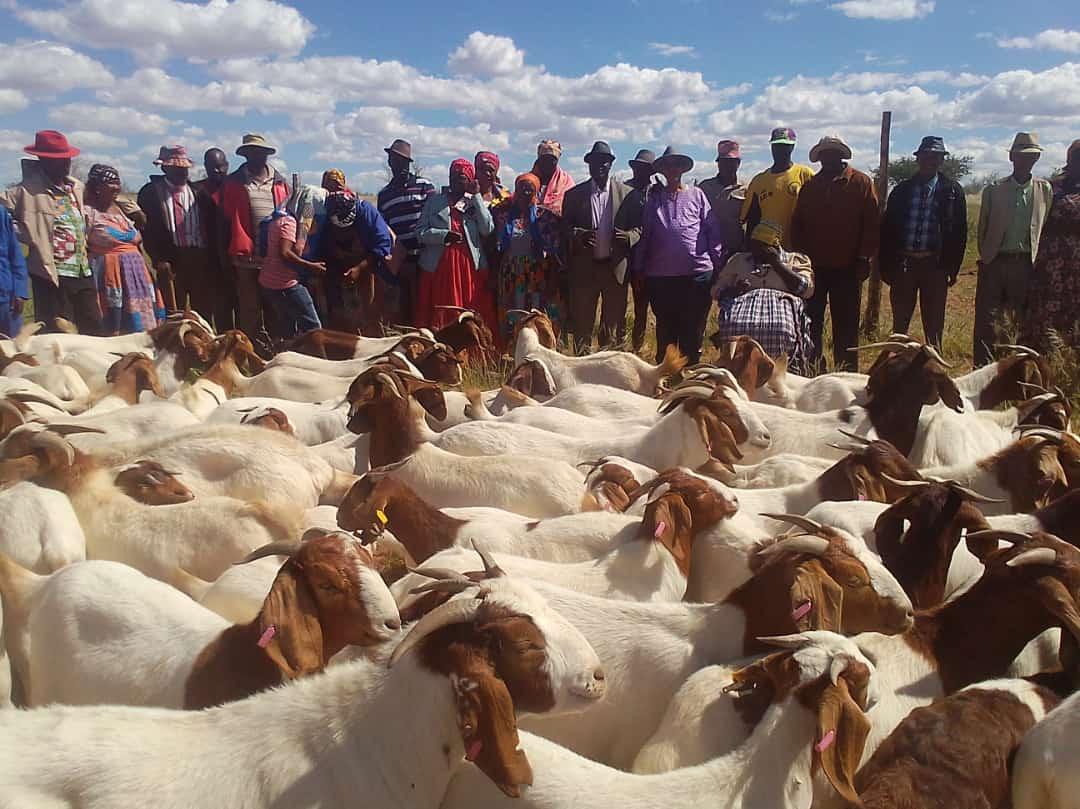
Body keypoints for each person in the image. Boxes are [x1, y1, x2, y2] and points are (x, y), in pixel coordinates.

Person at [790, 135, 880, 371]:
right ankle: (814, 369)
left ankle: (847, 371)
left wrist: (864, 258)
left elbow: (871, 224)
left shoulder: (860, 183)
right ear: (819, 158)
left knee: (847, 324)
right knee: (811, 322)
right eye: (823, 154)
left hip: (848, 266)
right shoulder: (810, 187)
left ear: (841, 155)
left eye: (832, 153)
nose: (827, 158)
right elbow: (798, 224)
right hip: (814, 268)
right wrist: (801, 262)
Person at [0, 131, 101, 334]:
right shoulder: (24, 192)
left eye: (67, 159)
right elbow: (5, 221)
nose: (65, 164)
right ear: (43, 160)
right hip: (50, 272)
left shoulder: (76, 187)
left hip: (82, 269)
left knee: (94, 328)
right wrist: (30, 235)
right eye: (58, 160)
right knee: (58, 333)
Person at [634, 146, 724, 365]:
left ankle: (691, 379)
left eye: (676, 164)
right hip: (661, 277)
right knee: (666, 331)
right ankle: (666, 382)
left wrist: (720, 267)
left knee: (692, 332)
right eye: (667, 165)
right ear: (662, 169)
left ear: (683, 168)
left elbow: (712, 231)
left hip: (697, 275)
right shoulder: (654, 199)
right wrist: (638, 269)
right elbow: (645, 235)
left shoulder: (697, 194)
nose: (672, 169)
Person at [879, 136, 967, 350]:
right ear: (918, 159)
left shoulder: (953, 191)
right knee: (900, 326)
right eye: (926, 156)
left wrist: (952, 268)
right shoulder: (901, 191)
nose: (930, 161)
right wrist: (886, 267)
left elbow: (959, 233)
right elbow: (887, 230)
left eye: (936, 156)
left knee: (934, 325)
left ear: (942, 160)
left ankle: (932, 371)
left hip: (935, 267)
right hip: (904, 264)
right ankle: (896, 366)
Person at [973, 133, 1053, 366]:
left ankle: (1012, 370)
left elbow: (1043, 225)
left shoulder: (1043, 189)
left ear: (1036, 159)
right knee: (987, 320)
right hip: (994, 262)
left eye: (1031, 157)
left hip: (1025, 263)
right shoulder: (994, 190)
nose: (1026, 161)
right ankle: (981, 369)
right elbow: (983, 229)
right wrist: (988, 258)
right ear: (1011, 157)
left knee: (1017, 320)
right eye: (1021, 156)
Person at [560, 141, 639, 352]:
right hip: (585, 269)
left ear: (611, 164)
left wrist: (629, 236)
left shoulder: (627, 194)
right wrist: (579, 235)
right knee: (582, 327)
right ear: (589, 165)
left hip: (615, 270)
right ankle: (582, 373)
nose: (600, 165)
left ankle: (608, 373)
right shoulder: (574, 195)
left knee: (611, 328)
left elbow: (640, 227)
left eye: (605, 161)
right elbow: (564, 228)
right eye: (595, 162)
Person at [137, 145, 227, 328]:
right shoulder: (150, 194)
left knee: (203, 311)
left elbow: (211, 227)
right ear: (164, 168)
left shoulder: (199, 192)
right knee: (173, 312)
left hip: (199, 259)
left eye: (184, 169)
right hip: (170, 260)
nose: (182, 173)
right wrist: (158, 258)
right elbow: (147, 230)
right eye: (177, 169)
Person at [712, 221, 814, 370]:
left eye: (762, 248)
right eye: (754, 246)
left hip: (780, 315)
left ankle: (783, 367)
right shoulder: (739, 261)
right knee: (733, 328)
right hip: (743, 313)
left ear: (774, 247)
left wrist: (777, 264)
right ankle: (738, 368)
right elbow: (716, 292)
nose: (756, 252)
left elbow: (806, 290)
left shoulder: (794, 261)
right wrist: (735, 289)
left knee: (782, 329)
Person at [220, 134, 288, 354]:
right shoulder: (233, 183)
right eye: (251, 152)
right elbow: (225, 220)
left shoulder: (280, 183)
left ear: (266, 155)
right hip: (246, 258)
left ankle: (275, 353)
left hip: (275, 258)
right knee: (250, 309)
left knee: (276, 308)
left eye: (260, 152)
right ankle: (248, 355)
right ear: (245, 155)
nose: (255, 156)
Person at [415, 160, 496, 331]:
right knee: (444, 309)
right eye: (453, 177)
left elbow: (487, 228)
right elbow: (420, 232)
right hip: (440, 268)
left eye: (461, 178)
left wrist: (477, 197)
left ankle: (472, 354)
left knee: (470, 310)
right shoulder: (435, 202)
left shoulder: (474, 202)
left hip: (469, 268)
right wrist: (443, 236)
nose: (456, 182)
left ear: (470, 180)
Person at [84, 164, 165, 335]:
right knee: (116, 323)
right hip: (110, 274)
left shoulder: (123, 210)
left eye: (117, 182)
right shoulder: (88, 212)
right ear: (97, 187)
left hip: (136, 273)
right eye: (110, 183)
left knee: (144, 324)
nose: (116, 187)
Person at [1022, 140, 1080, 352]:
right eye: (1077, 156)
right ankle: (1040, 359)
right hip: (1052, 261)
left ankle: (1070, 365)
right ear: (1069, 159)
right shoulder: (1053, 187)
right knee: (1045, 310)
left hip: (1077, 264)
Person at [492, 174, 565, 339]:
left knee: (536, 313)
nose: (526, 192)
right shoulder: (504, 214)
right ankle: (511, 350)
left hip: (537, 274)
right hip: (511, 273)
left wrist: (553, 277)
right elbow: (497, 246)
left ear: (537, 191)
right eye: (522, 188)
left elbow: (553, 251)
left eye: (530, 189)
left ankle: (538, 348)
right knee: (513, 312)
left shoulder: (544, 216)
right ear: (516, 190)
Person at [377, 139, 436, 325]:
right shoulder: (384, 195)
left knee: (424, 306)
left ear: (408, 164)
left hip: (424, 258)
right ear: (390, 162)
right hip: (400, 261)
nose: (398, 165)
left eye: (402, 161)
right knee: (402, 307)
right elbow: (384, 228)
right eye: (395, 160)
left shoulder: (425, 186)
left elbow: (434, 218)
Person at [323, 190, 396, 333]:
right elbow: (325, 245)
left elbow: (382, 245)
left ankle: (373, 328)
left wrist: (360, 268)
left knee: (372, 309)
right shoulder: (329, 213)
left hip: (371, 265)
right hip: (341, 265)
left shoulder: (367, 212)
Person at [256, 201, 327, 340]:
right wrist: (310, 266)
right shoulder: (289, 222)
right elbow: (285, 253)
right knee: (314, 328)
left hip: (269, 282)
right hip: (285, 284)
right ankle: (318, 358)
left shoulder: (278, 218)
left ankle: (287, 356)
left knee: (287, 328)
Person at [741, 127, 814, 248]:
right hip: (767, 250)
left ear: (792, 147)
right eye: (777, 146)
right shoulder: (759, 181)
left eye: (785, 146)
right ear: (771, 147)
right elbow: (753, 219)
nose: (780, 150)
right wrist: (750, 249)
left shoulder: (805, 174)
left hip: (799, 248)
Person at [193, 147, 233, 329]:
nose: (217, 170)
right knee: (219, 303)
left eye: (220, 166)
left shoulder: (237, 188)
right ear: (205, 167)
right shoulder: (197, 191)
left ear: (227, 165)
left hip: (236, 255)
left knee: (243, 304)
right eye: (212, 166)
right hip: (210, 257)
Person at [625, 149, 657, 353]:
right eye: (638, 168)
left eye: (645, 168)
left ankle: (638, 345)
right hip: (625, 252)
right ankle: (620, 343)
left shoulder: (657, 191)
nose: (641, 171)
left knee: (643, 306)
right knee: (620, 304)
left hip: (651, 256)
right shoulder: (624, 189)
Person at [697, 140, 746, 262]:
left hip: (737, 252)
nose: (727, 166)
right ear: (718, 163)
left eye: (731, 162)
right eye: (723, 162)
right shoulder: (704, 187)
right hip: (707, 252)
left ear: (738, 163)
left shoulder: (746, 189)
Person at [0, 203, 28, 338]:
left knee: (13, 350)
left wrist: (20, 290)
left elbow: (15, 254)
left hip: (6, 296)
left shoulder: (1, 214)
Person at [532, 140, 575, 217]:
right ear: (539, 160)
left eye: (552, 160)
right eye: (544, 159)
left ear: (557, 160)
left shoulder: (566, 181)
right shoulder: (528, 182)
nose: (548, 163)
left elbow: (573, 207)